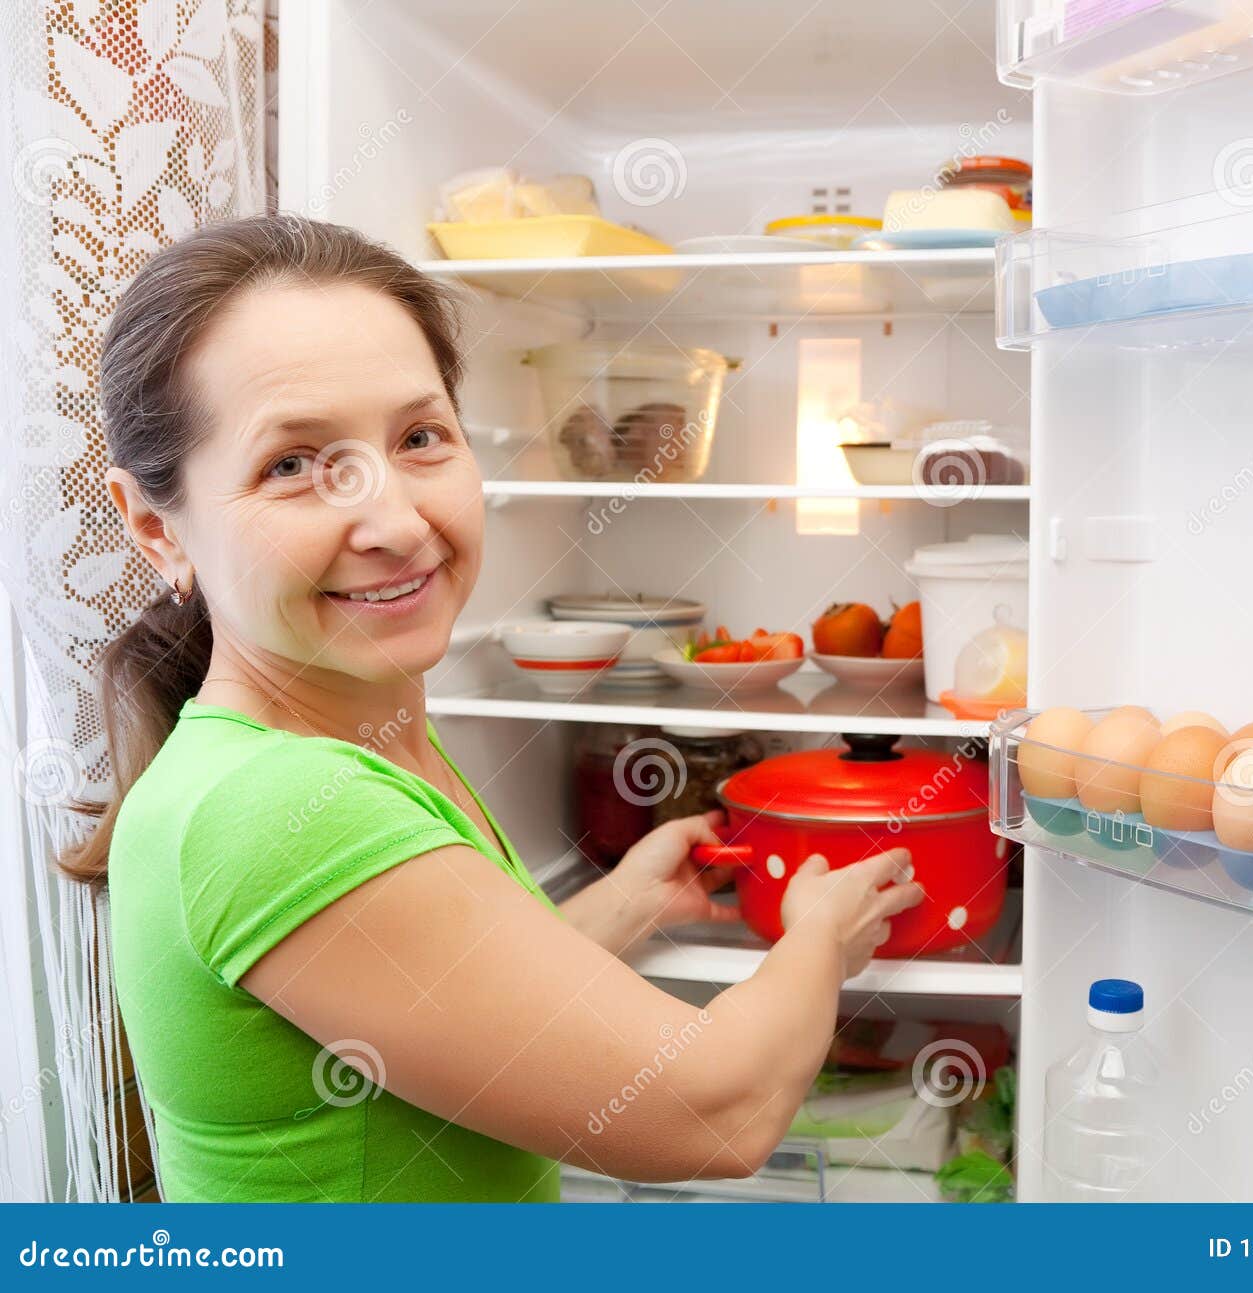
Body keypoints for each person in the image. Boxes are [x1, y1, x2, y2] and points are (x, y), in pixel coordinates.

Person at [62, 214, 923, 1202]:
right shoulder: (277, 810)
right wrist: (820, 935)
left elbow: (443, 1001)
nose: (394, 522)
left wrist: (629, 902)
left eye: (420, 437)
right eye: (293, 464)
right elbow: (715, 1113)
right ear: (155, 529)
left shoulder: (347, 747)